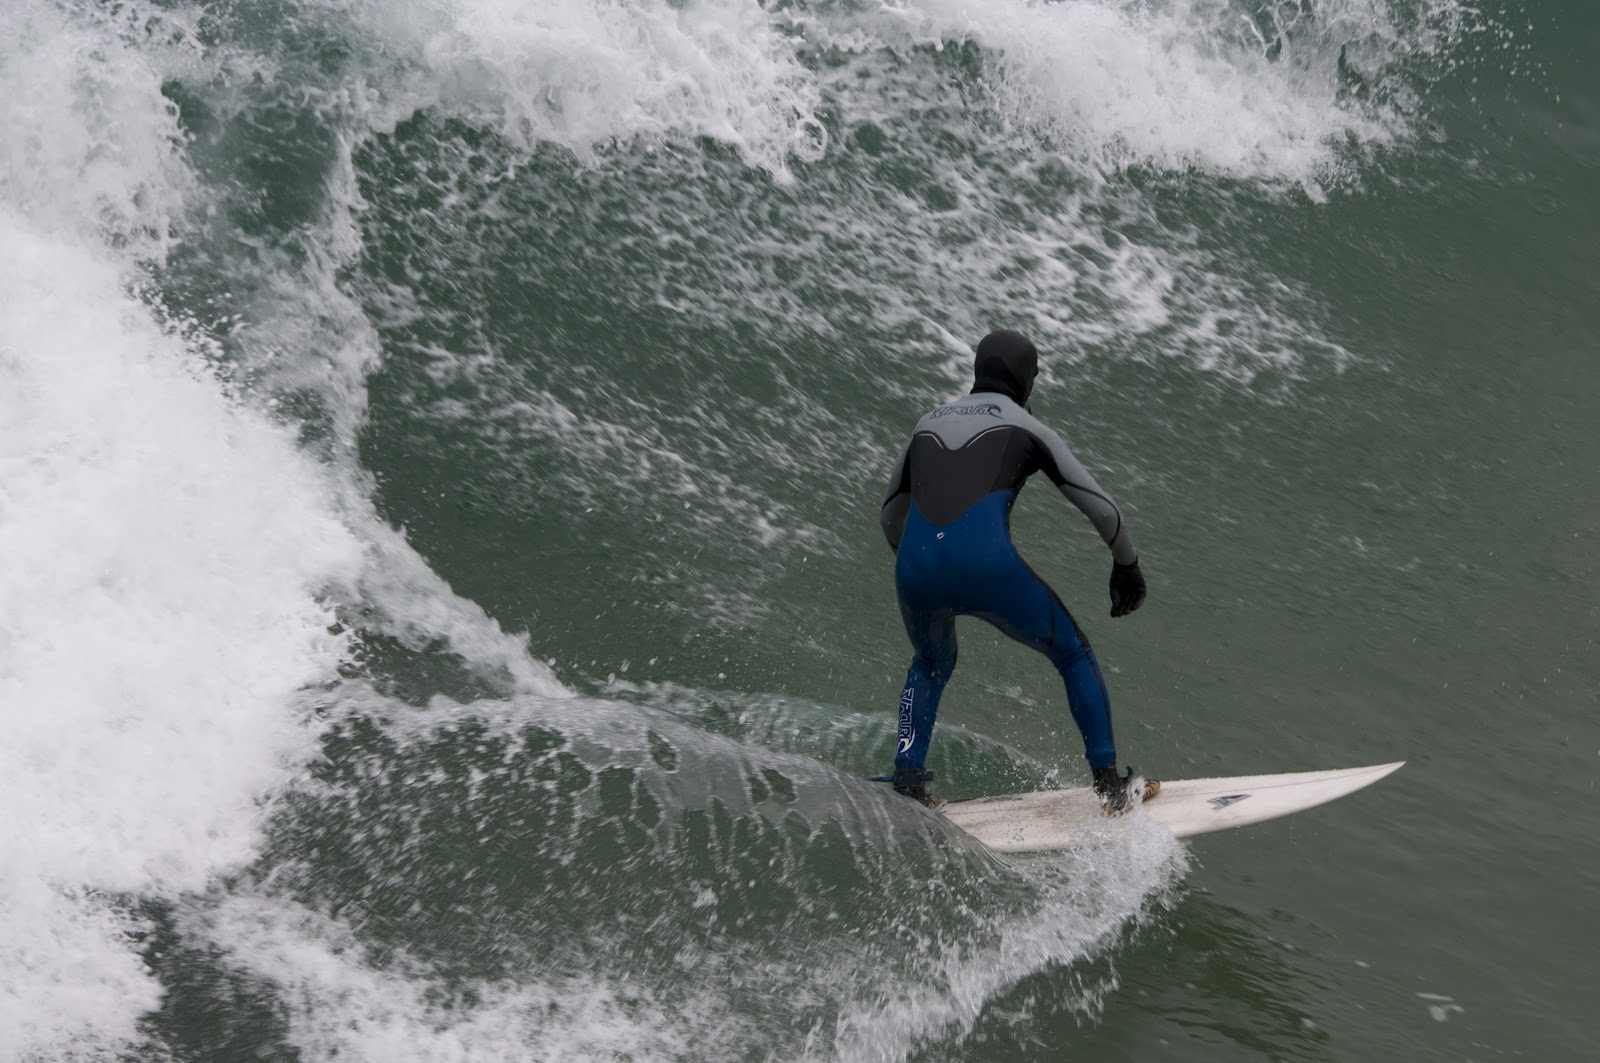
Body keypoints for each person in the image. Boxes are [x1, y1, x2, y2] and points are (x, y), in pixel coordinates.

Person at [879, 329, 1157, 813]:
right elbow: (1102, 508)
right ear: (1027, 380)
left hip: (915, 569)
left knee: (929, 664)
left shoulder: (925, 425)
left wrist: (925, 566)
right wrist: (1126, 563)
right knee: (1073, 654)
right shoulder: (1028, 427)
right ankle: (1109, 786)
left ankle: (908, 783)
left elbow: (889, 516)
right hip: (985, 566)